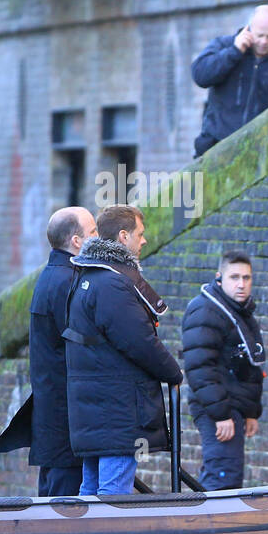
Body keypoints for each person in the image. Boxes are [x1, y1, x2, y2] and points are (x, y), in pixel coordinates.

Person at [64, 205, 183, 495]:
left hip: (97, 411)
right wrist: (173, 372)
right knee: (113, 498)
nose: (143, 241)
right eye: (139, 234)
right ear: (123, 236)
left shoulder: (87, 276)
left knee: (91, 495)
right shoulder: (113, 284)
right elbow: (139, 342)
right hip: (116, 412)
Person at [0, 207, 99, 496]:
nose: (99, 237)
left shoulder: (53, 275)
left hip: (55, 418)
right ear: (77, 241)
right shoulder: (69, 282)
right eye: (93, 231)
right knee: (63, 507)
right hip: (66, 420)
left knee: (53, 499)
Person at [181, 250, 266, 490]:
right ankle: (206, 528)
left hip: (232, 407)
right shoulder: (207, 310)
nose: (241, 284)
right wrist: (220, 415)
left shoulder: (239, 310)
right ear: (219, 278)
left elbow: (249, 364)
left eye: (247, 278)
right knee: (222, 479)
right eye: (234, 277)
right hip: (217, 409)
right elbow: (200, 367)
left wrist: (251, 412)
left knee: (228, 476)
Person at [191, 5, 268, 156]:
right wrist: (234, 52)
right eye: (259, 35)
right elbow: (200, 76)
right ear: (249, 30)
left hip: (258, 152)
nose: (263, 42)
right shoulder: (224, 45)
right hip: (215, 147)